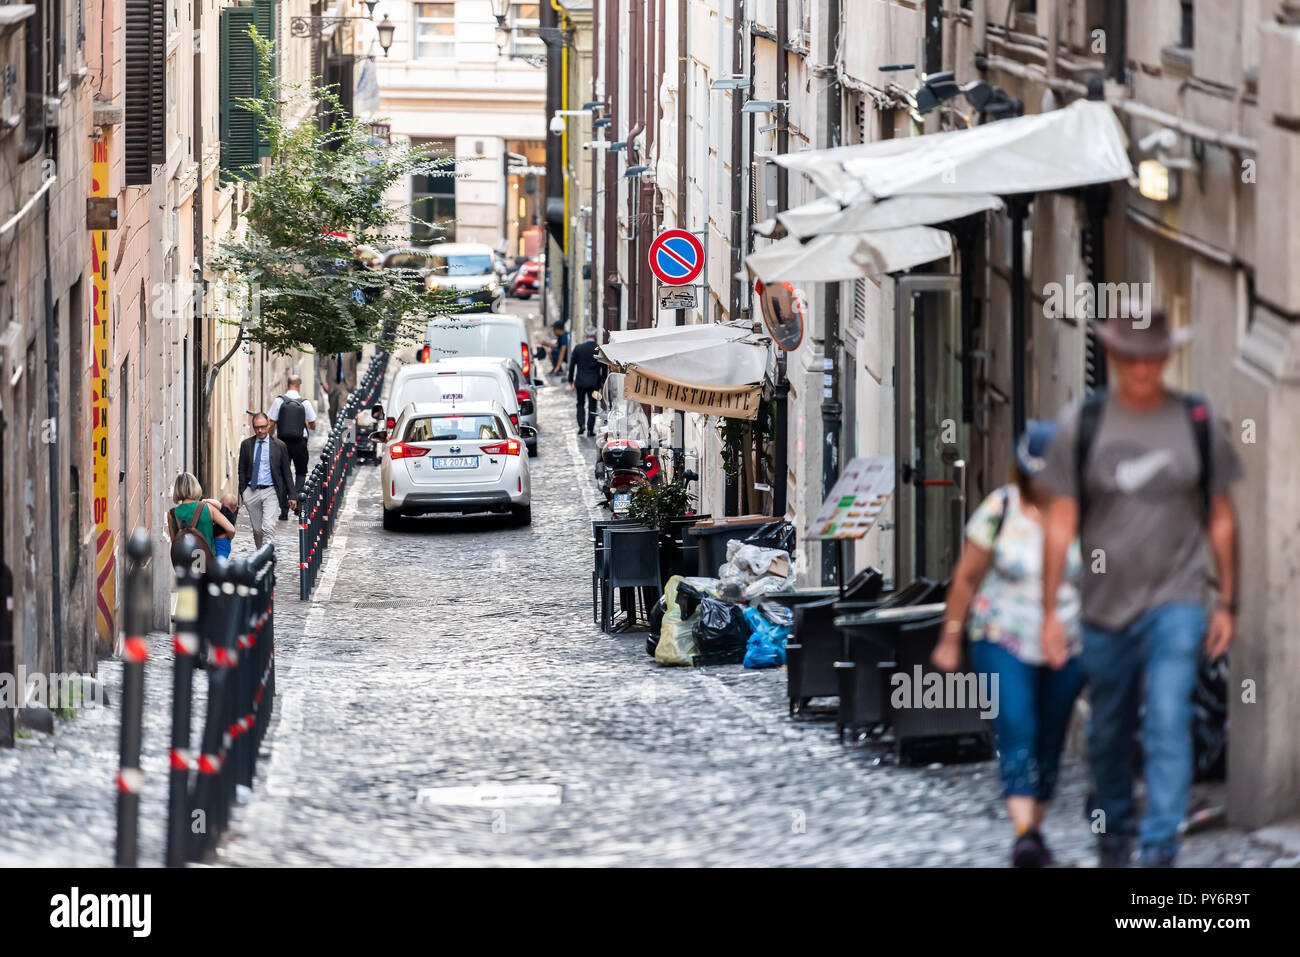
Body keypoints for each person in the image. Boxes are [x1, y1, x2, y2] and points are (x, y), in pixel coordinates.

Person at [1038, 307, 1242, 869]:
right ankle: (1115, 831)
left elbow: (1221, 516)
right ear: (1114, 358)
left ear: (1165, 358)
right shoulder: (1084, 425)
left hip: (1177, 600)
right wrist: (1051, 610)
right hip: (1106, 609)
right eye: (1132, 358)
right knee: (1108, 730)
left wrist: (1227, 600)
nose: (1142, 370)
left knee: (1168, 717)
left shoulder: (1197, 421)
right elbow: (1060, 520)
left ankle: (1158, 848)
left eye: (1152, 358)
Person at [932, 422, 1085, 868]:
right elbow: (965, 579)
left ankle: (1035, 827)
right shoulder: (1000, 508)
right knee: (1016, 723)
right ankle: (1024, 832)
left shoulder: (1079, 515)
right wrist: (950, 638)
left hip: (1065, 644)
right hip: (1002, 639)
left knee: (1051, 738)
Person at [238, 412, 297, 550]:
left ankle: (266, 559)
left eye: (263, 427)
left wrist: (292, 495)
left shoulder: (279, 446)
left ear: (269, 425)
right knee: (258, 530)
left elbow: (286, 472)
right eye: (257, 427)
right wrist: (243, 492)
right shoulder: (246, 445)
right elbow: (241, 470)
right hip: (251, 491)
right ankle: (260, 555)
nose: (260, 430)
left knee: (268, 528)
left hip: (271, 491)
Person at [268, 373, 318, 517]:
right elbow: (313, 425)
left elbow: (272, 422)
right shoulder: (305, 403)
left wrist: (272, 436)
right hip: (300, 443)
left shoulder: (279, 401)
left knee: (283, 474)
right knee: (301, 473)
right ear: (299, 385)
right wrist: (303, 422)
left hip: (282, 443)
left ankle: (284, 511)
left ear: (287, 384)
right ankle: (297, 505)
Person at [166, 473, 235, 561]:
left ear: (177, 490)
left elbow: (175, 543)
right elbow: (231, 530)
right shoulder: (208, 508)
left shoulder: (171, 514)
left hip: (186, 565)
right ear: (196, 487)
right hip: (207, 563)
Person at [568, 327, 606, 436]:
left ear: (585, 335)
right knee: (593, 405)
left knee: (580, 403)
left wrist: (571, 380)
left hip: (580, 382)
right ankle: (590, 429)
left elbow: (572, 365)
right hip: (594, 384)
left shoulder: (578, 348)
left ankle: (581, 426)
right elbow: (603, 367)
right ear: (595, 336)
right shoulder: (599, 349)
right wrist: (603, 380)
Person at [318, 350, 359, 428]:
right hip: (332, 384)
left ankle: (345, 432)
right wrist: (323, 381)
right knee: (333, 409)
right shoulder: (329, 349)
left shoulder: (350, 350)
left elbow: (353, 368)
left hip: (345, 384)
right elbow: (322, 367)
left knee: (343, 408)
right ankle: (333, 428)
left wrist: (353, 385)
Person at [213, 492, 240, 560]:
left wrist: (206, 500)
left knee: (221, 560)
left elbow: (221, 507)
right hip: (218, 540)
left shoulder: (230, 515)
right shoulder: (222, 513)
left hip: (223, 542)